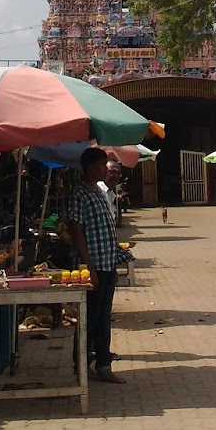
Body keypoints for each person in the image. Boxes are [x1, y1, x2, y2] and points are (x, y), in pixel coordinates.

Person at [66, 147, 125, 384]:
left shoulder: (99, 192)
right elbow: (76, 229)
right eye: (102, 165)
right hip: (93, 266)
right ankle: (81, 364)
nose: (106, 169)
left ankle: (103, 365)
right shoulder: (79, 194)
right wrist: (88, 266)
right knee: (90, 317)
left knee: (103, 317)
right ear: (90, 167)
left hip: (107, 263)